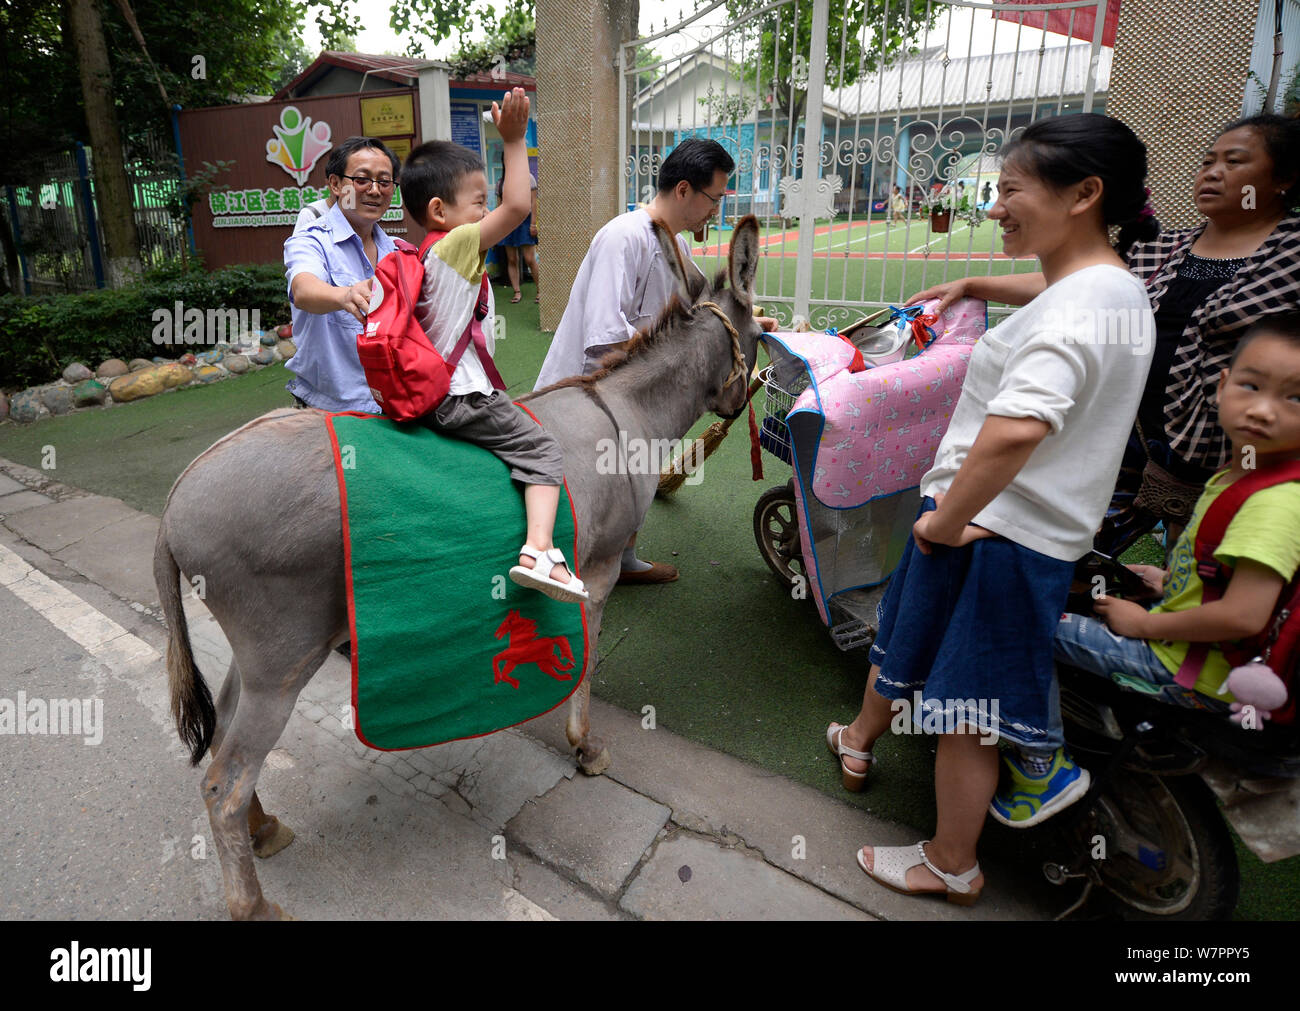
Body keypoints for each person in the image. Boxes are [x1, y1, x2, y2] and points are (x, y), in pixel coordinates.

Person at [825, 113, 1156, 904]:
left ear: (1085, 193)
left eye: (1010, 189)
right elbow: (1051, 292)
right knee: (903, 635)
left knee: (965, 710)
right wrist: (973, 283)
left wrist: (941, 521)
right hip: (1011, 523)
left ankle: (951, 862)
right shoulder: (1108, 286)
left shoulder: (1081, 304)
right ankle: (861, 736)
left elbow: (1015, 430)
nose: (995, 205)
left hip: (994, 530)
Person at [911, 115, 1300, 553]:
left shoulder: (1291, 257)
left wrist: (946, 522)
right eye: (1208, 160)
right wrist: (973, 284)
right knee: (1117, 551)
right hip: (1138, 425)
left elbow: (1084, 293)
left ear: (1285, 177)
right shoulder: (1163, 249)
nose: (1212, 172)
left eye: (1235, 161)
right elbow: (1076, 281)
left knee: (1219, 550)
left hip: (1229, 437)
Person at [534, 137, 775, 584]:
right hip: (587, 396)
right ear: (683, 189)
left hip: (634, 394)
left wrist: (754, 323)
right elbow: (604, 338)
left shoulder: (675, 248)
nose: (715, 211)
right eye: (713, 199)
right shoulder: (623, 237)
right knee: (588, 491)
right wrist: (671, 367)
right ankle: (578, 564)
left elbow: (709, 312)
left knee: (632, 477)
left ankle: (621, 561)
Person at [1051, 313, 1300, 728]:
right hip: (1197, 654)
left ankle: (1043, 767)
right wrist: (1172, 583)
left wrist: (1147, 625)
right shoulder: (1242, 471)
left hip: (1194, 673)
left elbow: (1244, 617)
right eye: (1250, 385)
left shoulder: (1274, 504)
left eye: (1295, 398)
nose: (1262, 410)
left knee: (1019, 620)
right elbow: (1234, 581)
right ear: (1221, 387)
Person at [399, 89, 586, 604]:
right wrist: (514, 141)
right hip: (461, 396)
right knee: (543, 449)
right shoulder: (456, 244)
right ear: (439, 211)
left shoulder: (426, 252)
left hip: (436, 394)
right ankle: (540, 552)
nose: (488, 212)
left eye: (486, 202)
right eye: (479, 203)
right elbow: (521, 205)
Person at [283, 136, 401, 413]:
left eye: (384, 182)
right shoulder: (310, 240)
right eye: (362, 179)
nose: (374, 190)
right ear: (336, 185)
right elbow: (303, 289)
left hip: (391, 404)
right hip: (328, 409)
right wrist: (345, 294)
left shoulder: (397, 251)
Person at [495, 156, 540, 303]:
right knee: (512, 259)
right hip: (508, 223)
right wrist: (499, 227)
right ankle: (517, 292)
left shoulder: (529, 178)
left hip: (525, 222)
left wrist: (533, 224)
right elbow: (499, 206)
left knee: (529, 259)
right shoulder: (501, 182)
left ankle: (540, 290)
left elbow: (533, 202)